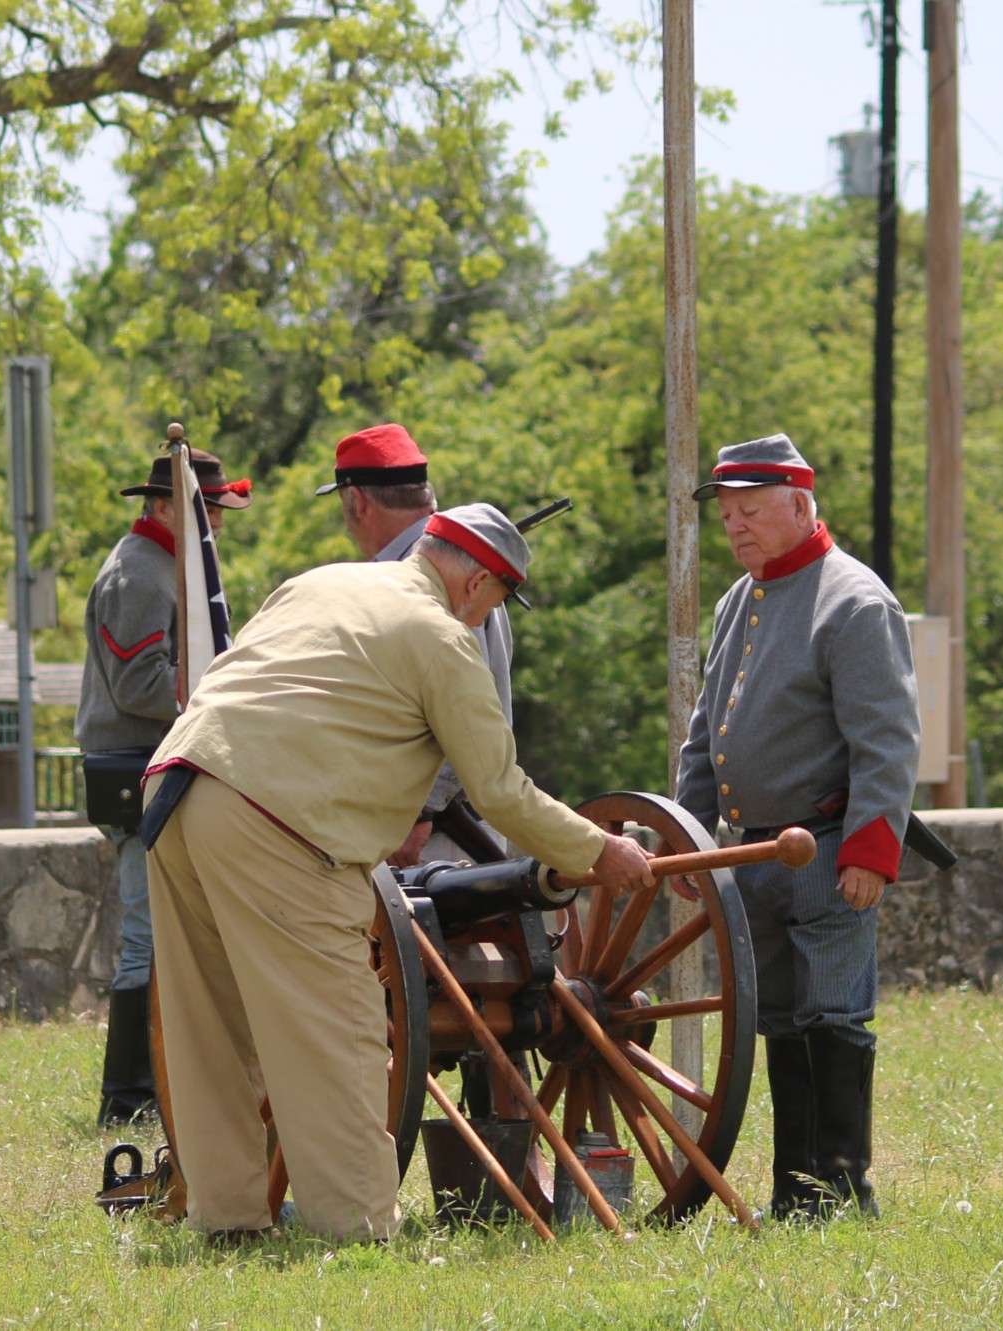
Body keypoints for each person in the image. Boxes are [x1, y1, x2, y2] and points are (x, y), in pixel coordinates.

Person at [143, 503, 655, 1242]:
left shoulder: (320, 583)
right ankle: (356, 1229)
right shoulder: (444, 638)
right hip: (273, 815)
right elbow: (500, 790)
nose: (488, 619)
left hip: (176, 783)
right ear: (478, 582)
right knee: (340, 1026)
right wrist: (597, 851)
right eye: (497, 603)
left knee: (209, 1021)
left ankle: (227, 1218)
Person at [676, 433, 920, 1220]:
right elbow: (706, 728)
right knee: (782, 1018)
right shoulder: (737, 601)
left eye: (750, 511)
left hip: (825, 853)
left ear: (800, 504)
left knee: (832, 1014)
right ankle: (797, 1191)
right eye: (726, 515)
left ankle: (844, 1190)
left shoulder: (855, 600)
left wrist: (872, 850)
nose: (736, 527)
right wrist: (691, 832)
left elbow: (886, 740)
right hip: (751, 854)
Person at [76, 449, 253, 1125]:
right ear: (163, 507)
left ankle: (160, 1087)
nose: (215, 523)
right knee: (146, 938)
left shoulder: (166, 567)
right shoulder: (140, 574)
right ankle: (128, 1099)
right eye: (205, 510)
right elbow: (139, 684)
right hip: (137, 768)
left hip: (161, 766)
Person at [317, 423, 514, 867]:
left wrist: (421, 811)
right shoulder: (447, 560)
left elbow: (462, 707)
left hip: (437, 830)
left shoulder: (435, 572)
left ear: (358, 503)